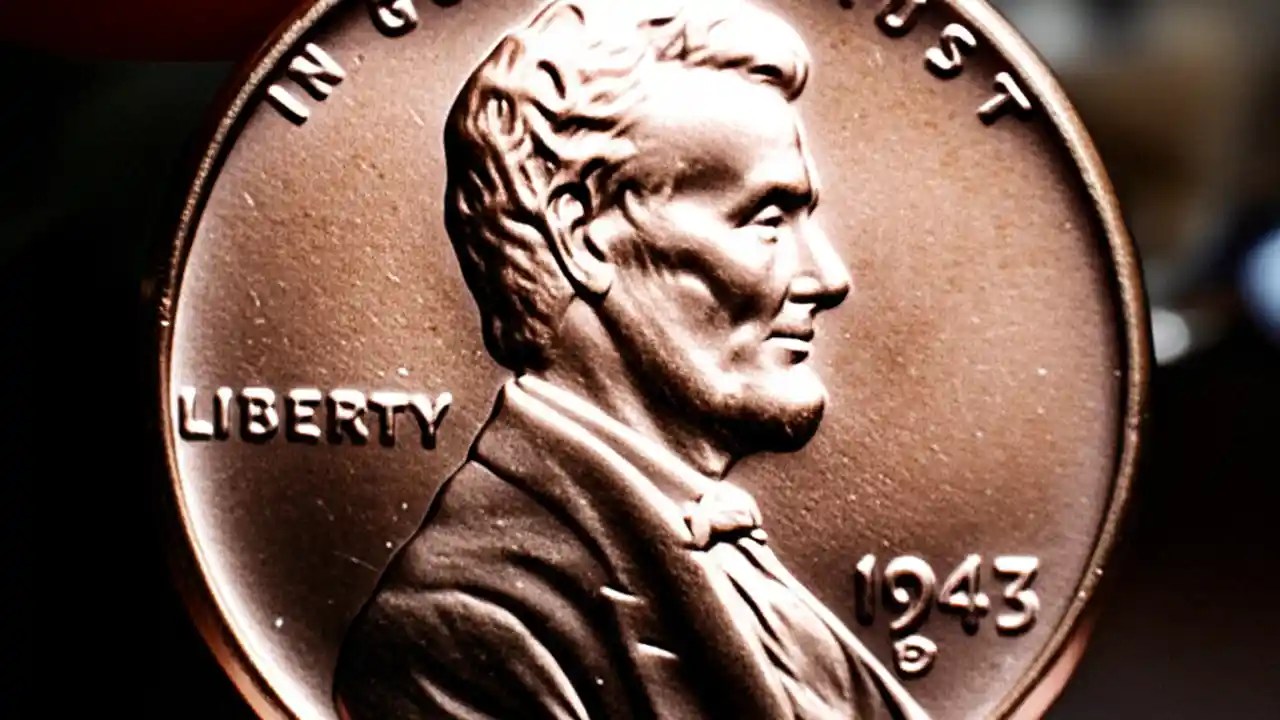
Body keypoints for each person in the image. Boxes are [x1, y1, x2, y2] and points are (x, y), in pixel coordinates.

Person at [334, 0, 926, 717]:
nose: (829, 277)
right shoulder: (458, 629)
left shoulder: (728, 558)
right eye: (767, 220)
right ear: (580, 233)